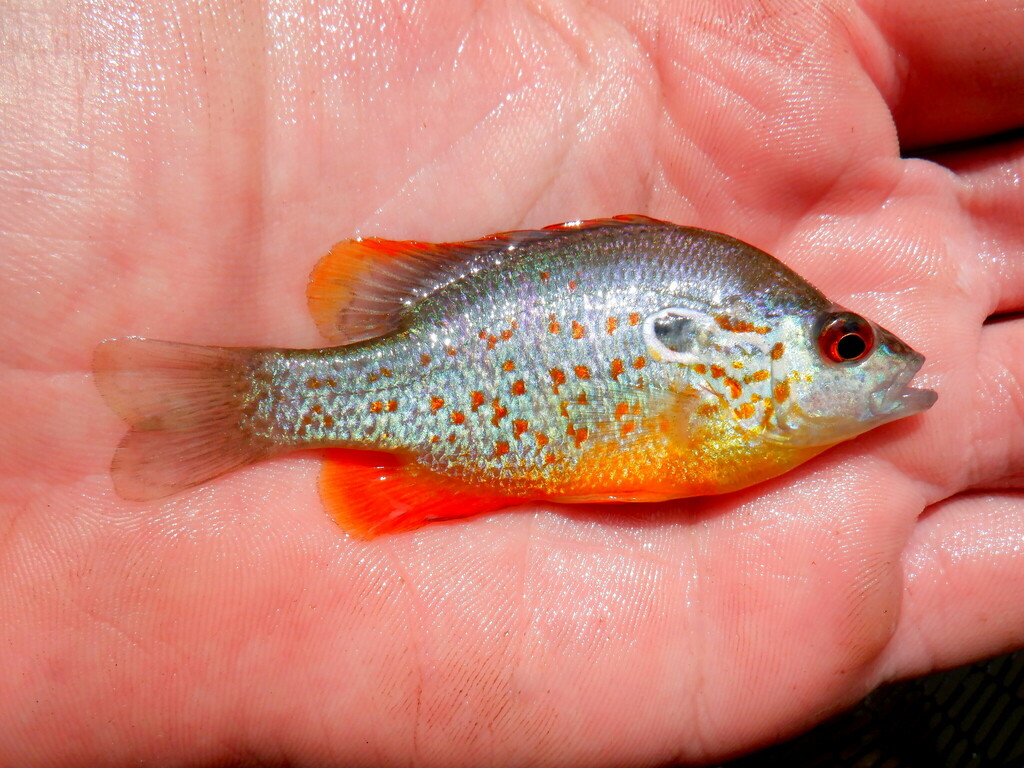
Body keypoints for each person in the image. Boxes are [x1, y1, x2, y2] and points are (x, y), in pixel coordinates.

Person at [1, 1, 1021, 765]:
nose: (874, 364)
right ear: (738, 349)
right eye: (843, 347)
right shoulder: (726, 386)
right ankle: (253, 406)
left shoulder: (747, 412)